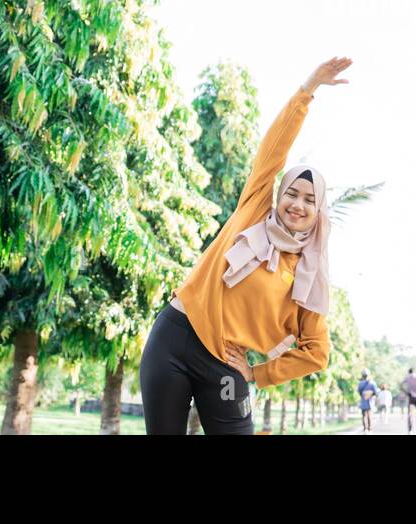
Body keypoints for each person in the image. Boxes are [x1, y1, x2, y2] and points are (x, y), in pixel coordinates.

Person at [138, 57, 352, 434]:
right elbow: (275, 149)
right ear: (279, 194)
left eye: (309, 200)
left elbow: (317, 353)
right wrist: (307, 90)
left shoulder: (308, 274)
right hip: (174, 337)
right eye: (291, 193)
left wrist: (258, 372)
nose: (297, 205)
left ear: (319, 212)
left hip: (226, 363)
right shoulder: (253, 213)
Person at [401, 367, 416, 433]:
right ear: (414, 371)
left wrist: (406, 392)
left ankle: (410, 430)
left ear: (409, 372)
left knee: (410, 414)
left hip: (411, 397)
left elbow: (401, 385)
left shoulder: (407, 377)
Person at [357, 369, 378, 434]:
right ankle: (369, 429)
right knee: (369, 415)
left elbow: (359, 392)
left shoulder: (360, 383)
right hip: (370, 401)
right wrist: (370, 394)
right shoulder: (372, 383)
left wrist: (364, 395)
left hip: (363, 401)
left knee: (364, 416)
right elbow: (376, 392)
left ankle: (365, 429)